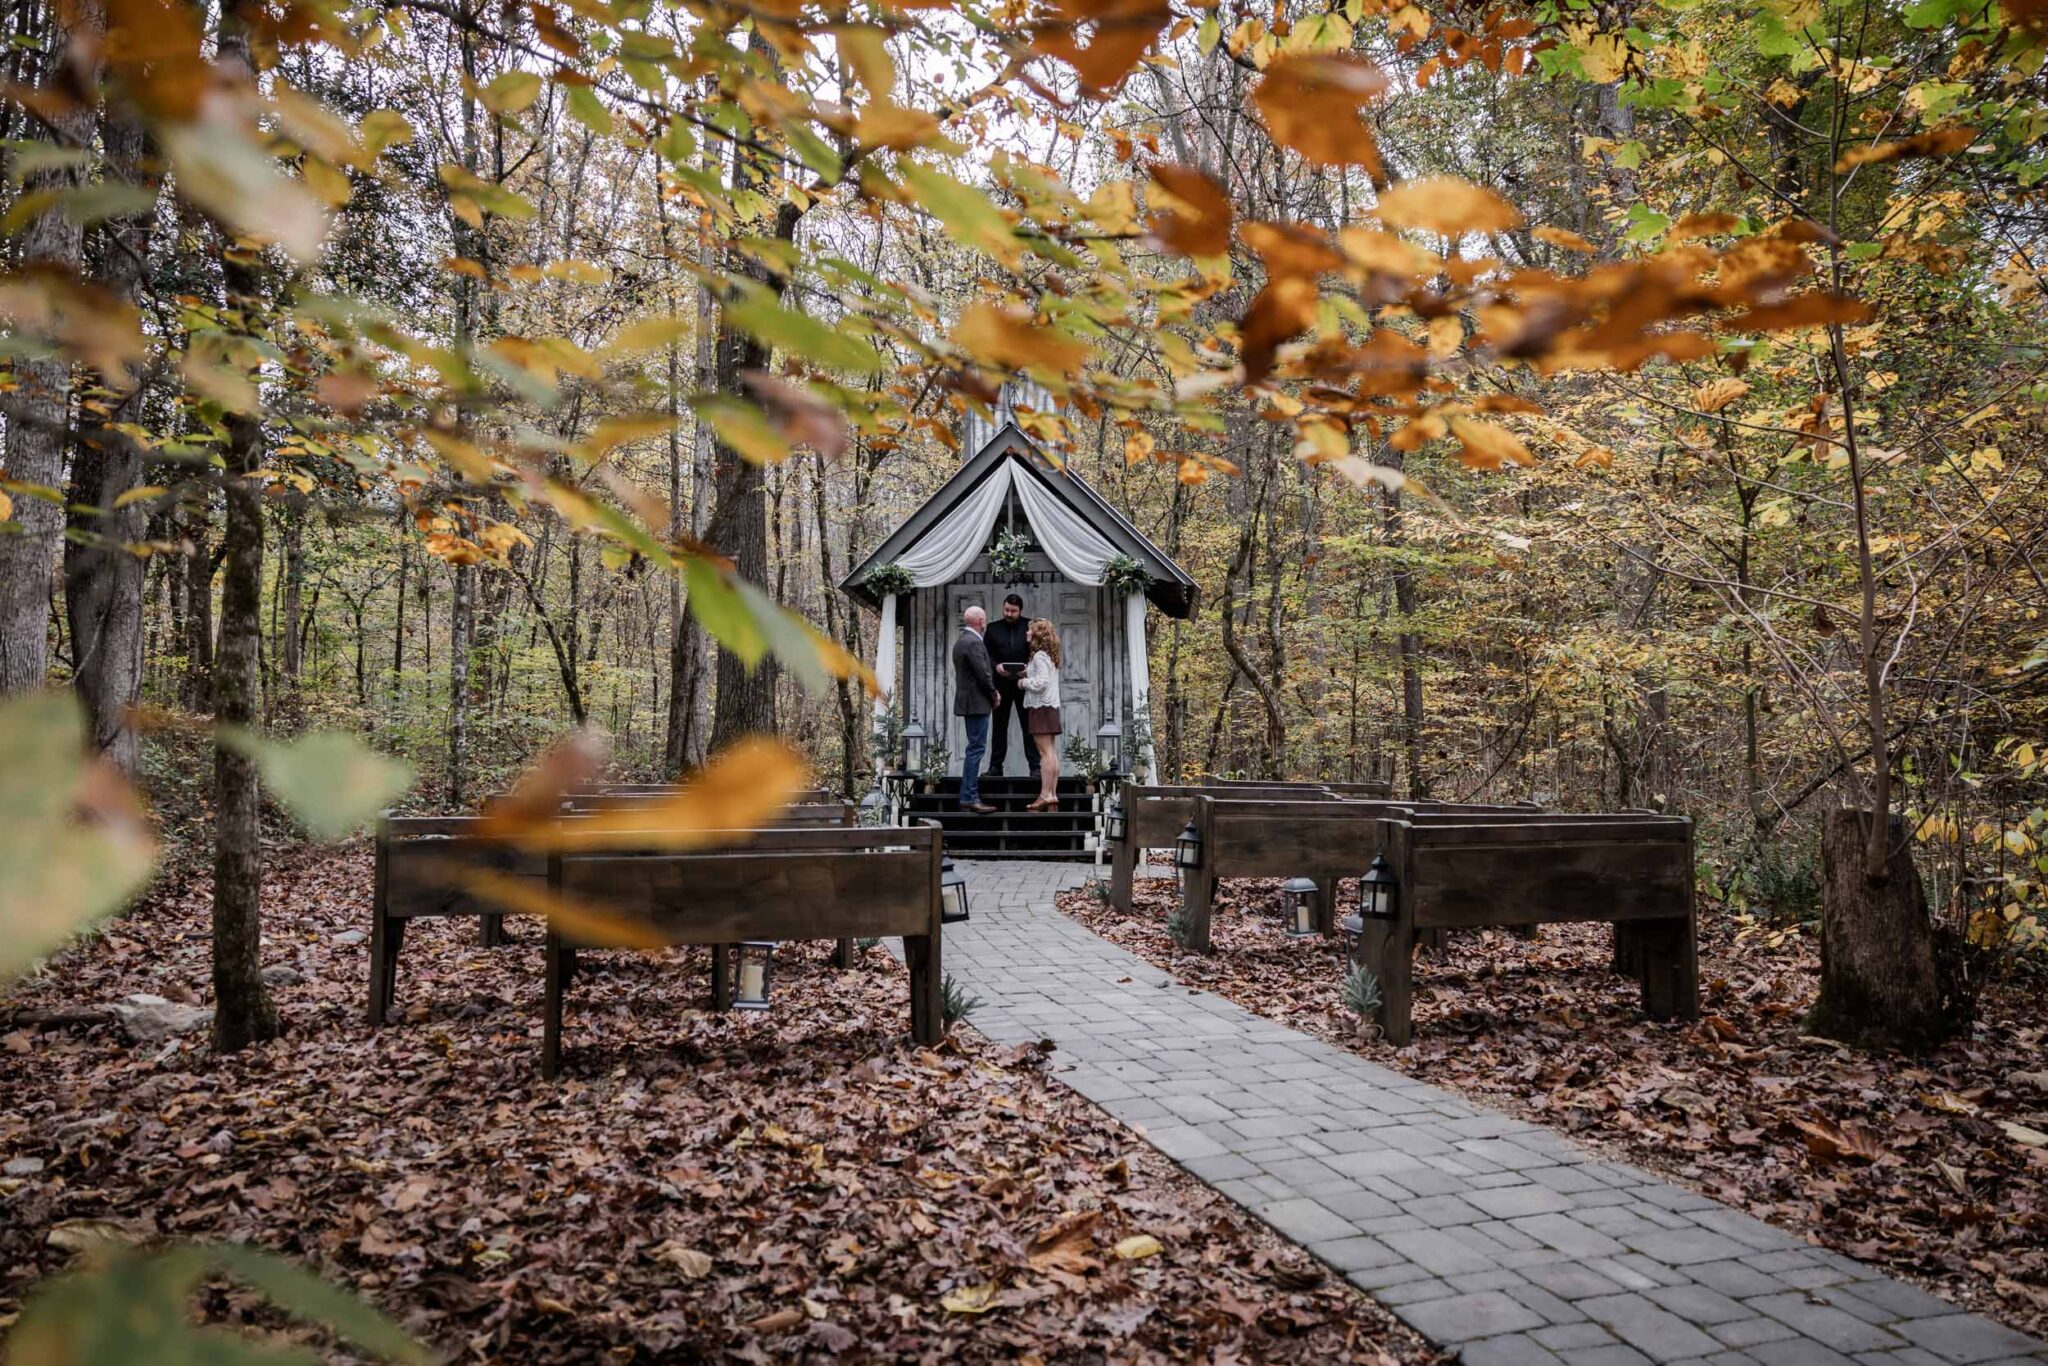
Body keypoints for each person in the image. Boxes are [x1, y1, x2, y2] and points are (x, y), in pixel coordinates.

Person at [984, 593, 1038, 779]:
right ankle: (995, 767)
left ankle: (1035, 767)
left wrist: (1029, 669)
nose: (1009, 613)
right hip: (1000, 684)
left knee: (1028, 727)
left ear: (1020, 610)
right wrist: (996, 666)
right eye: (1006, 609)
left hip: (1025, 685)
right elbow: (986, 655)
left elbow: (1037, 652)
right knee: (999, 727)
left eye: (1013, 611)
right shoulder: (992, 629)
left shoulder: (1030, 626)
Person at [951, 605, 998, 813]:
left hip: (968, 701)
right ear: (980, 621)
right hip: (977, 702)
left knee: (974, 748)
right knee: (976, 749)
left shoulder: (961, 642)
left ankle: (968, 795)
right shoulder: (974, 643)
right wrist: (993, 693)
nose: (985, 623)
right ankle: (969, 796)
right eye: (985, 619)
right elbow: (983, 674)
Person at [1020, 618, 1064, 811]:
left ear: (1037, 634)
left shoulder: (1038, 656)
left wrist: (1023, 683)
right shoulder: (1047, 655)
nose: (1027, 634)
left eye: (1029, 631)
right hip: (1050, 707)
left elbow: (1041, 683)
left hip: (1041, 707)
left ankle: (1045, 794)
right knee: (1051, 752)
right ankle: (1052, 794)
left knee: (1044, 753)